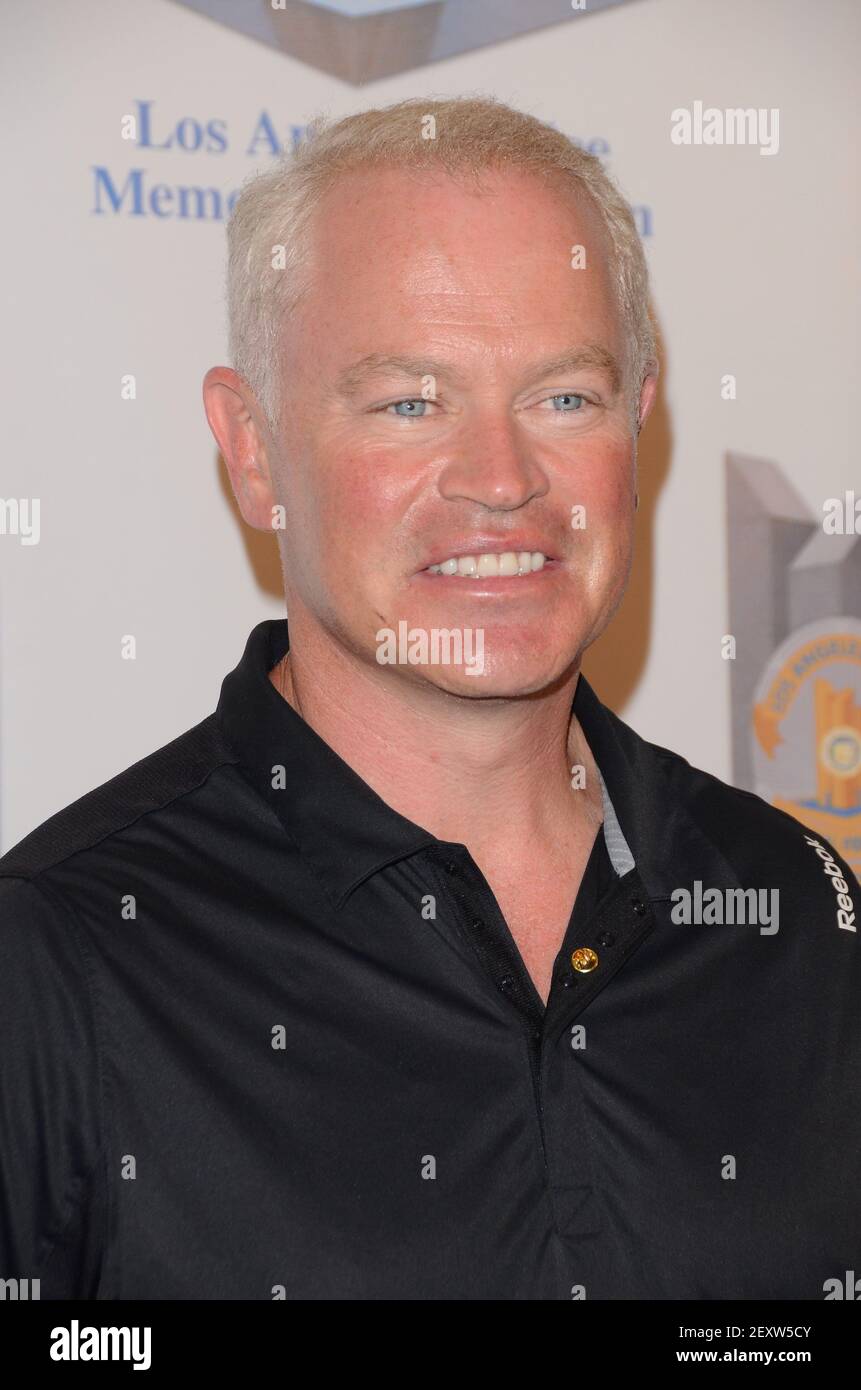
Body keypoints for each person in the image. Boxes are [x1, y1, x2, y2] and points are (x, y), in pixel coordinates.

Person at [1, 96, 858, 1301]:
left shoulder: (794, 913)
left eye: (565, 397)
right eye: (411, 402)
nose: (504, 480)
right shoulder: (60, 953)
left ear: (640, 421)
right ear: (253, 451)